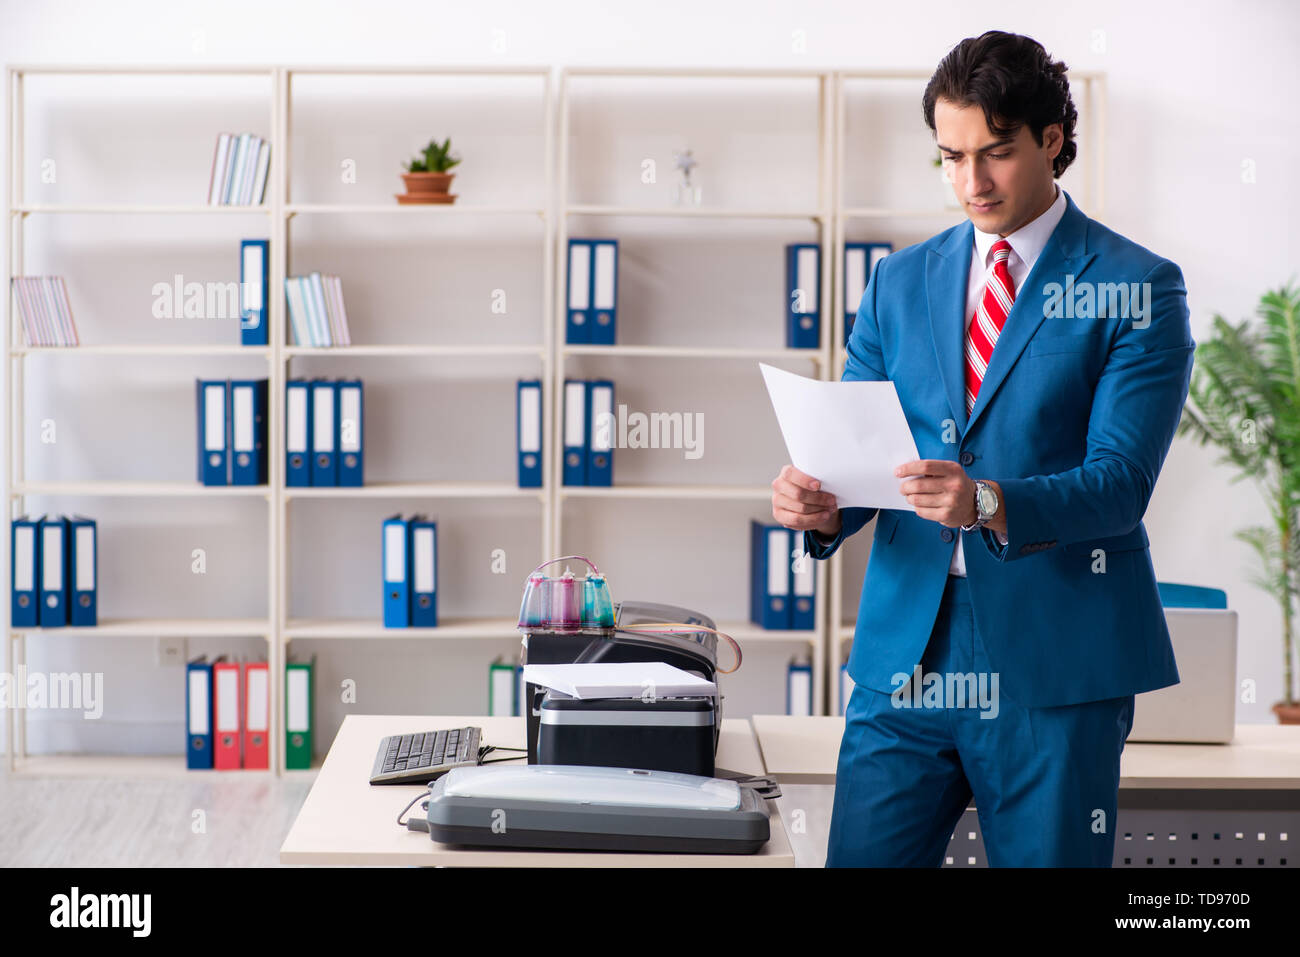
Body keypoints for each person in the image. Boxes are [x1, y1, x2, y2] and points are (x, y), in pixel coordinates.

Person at [770, 30, 1194, 867]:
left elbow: (1119, 483)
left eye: (995, 153)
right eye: (951, 156)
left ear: (1052, 141)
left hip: (1055, 659)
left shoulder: (1138, 286)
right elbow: (865, 452)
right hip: (906, 654)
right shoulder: (899, 280)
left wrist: (988, 500)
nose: (972, 181)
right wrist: (820, 503)